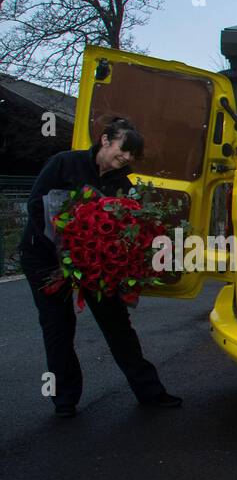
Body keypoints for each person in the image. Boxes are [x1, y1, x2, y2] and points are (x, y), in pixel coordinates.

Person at [20, 115, 181, 418]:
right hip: (44, 257)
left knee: (117, 324)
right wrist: (68, 249)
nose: (127, 157)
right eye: (124, 149)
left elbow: (126, 227)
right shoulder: (64, 163)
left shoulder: (122, 183)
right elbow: (35, 205)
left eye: (133, 154)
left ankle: (150, 392)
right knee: (58, 327)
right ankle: (64, 400)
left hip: (95, 262)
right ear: (106, 140)